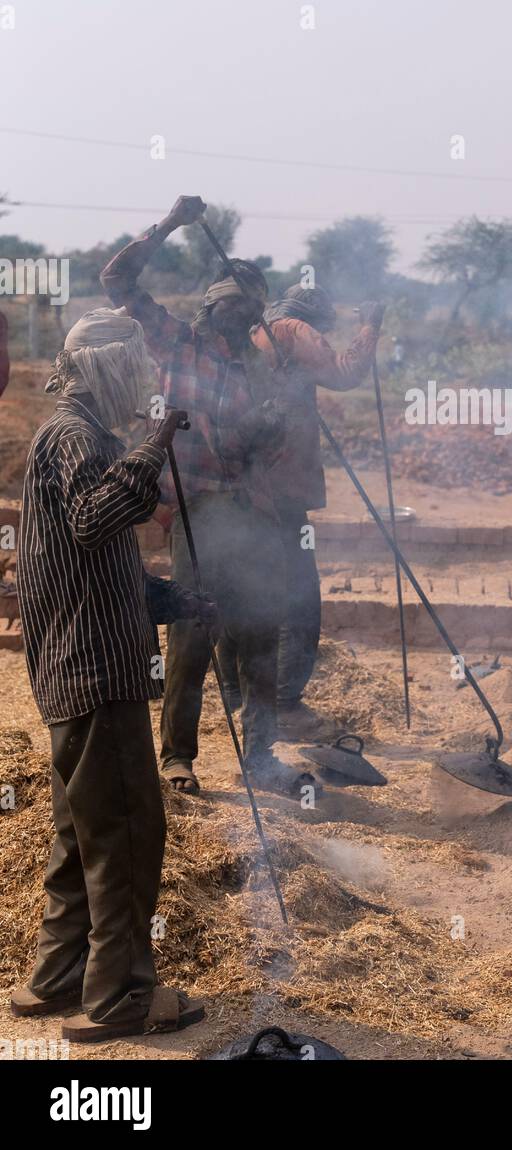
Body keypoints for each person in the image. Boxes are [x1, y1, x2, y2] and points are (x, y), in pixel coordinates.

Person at [11, 309, 214, 1043]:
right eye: (135, 363)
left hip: (76, 668)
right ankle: (121, 999)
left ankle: (57, 978)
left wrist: (174, 600)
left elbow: (93, 562)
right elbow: (99, 520)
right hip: (96, 675)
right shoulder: (75, 436)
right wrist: (154, 447)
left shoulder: (74, 435)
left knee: (83, 837)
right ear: (103, 367)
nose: (146, 377)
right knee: (128, 832)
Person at [100, 196, 301, 796]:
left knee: (264, 627)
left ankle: (260, 755)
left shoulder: (257, 367)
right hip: (195, 507)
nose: (242, 316)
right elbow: (118, 278)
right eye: (234, 302)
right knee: (192, 628)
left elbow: (256, 451)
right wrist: (171, 223)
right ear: (211, 303)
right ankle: (177, 758)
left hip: (251, 509)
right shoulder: (176, 343)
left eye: (253, 309)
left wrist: (271, 426)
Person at [250, 282, 383, 714]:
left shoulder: (256, 331)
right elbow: (345, 372)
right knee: (300, 598)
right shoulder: (291, 329)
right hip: (283, 489)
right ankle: (285, 703)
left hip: (249, 488)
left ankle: (245, 697)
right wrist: (371, 325)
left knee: (254, 591)